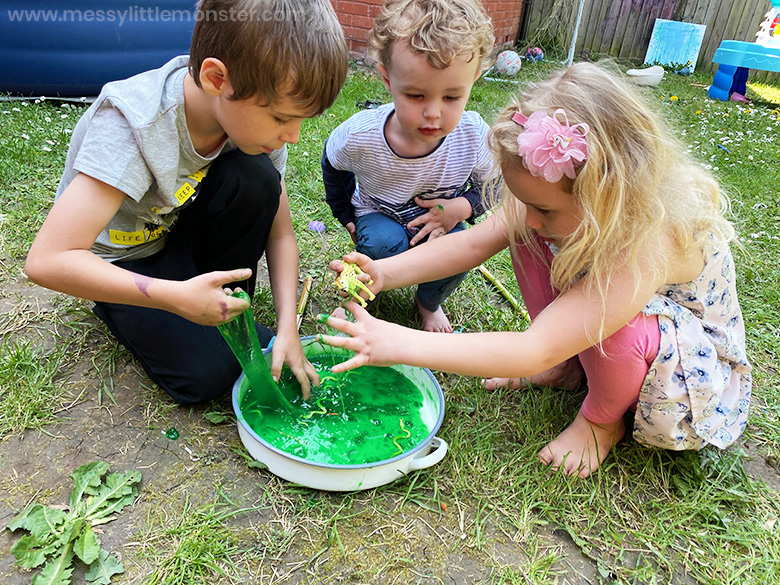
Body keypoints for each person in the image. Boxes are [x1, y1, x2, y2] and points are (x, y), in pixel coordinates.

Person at [319, 62, 752, 478]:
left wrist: (397, 341)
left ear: (608, 195)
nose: (528, 216)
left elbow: (533, 348)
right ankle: (571, 367)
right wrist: (384, 272)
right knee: (526, 236)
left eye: (542, 206)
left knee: (615, 322)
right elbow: (470, 241)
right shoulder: (557, 208)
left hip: (684, 371)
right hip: (603, 325)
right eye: (524, 201)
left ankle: (602, 421)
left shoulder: (650, 242)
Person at [25, 0, 349, 405]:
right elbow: (47, 260)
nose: (294, 136)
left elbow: (281, 235)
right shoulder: (135, 127)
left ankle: (215, 304)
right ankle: (130, 307)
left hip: (181, 230)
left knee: (257, 176)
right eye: (283, 118)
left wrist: (287, 327)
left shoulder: (252, 127)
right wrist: (172, 297)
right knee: (210, 375)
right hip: (126, 263)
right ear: (217, 79)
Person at [321, 0, 497, 333]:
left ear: (474, 78)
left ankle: (429, 303)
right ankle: (354, 296)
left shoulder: (473, 137)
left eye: (451, 97)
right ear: (387, 79)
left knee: (459, 250)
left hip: (439, 223)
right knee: (379, 245)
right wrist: (345, 215)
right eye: (416, 96)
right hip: (379, 214)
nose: (433, 113)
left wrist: (463, 207)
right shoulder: (361, 135)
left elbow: (497, 185)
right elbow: (333, 162)